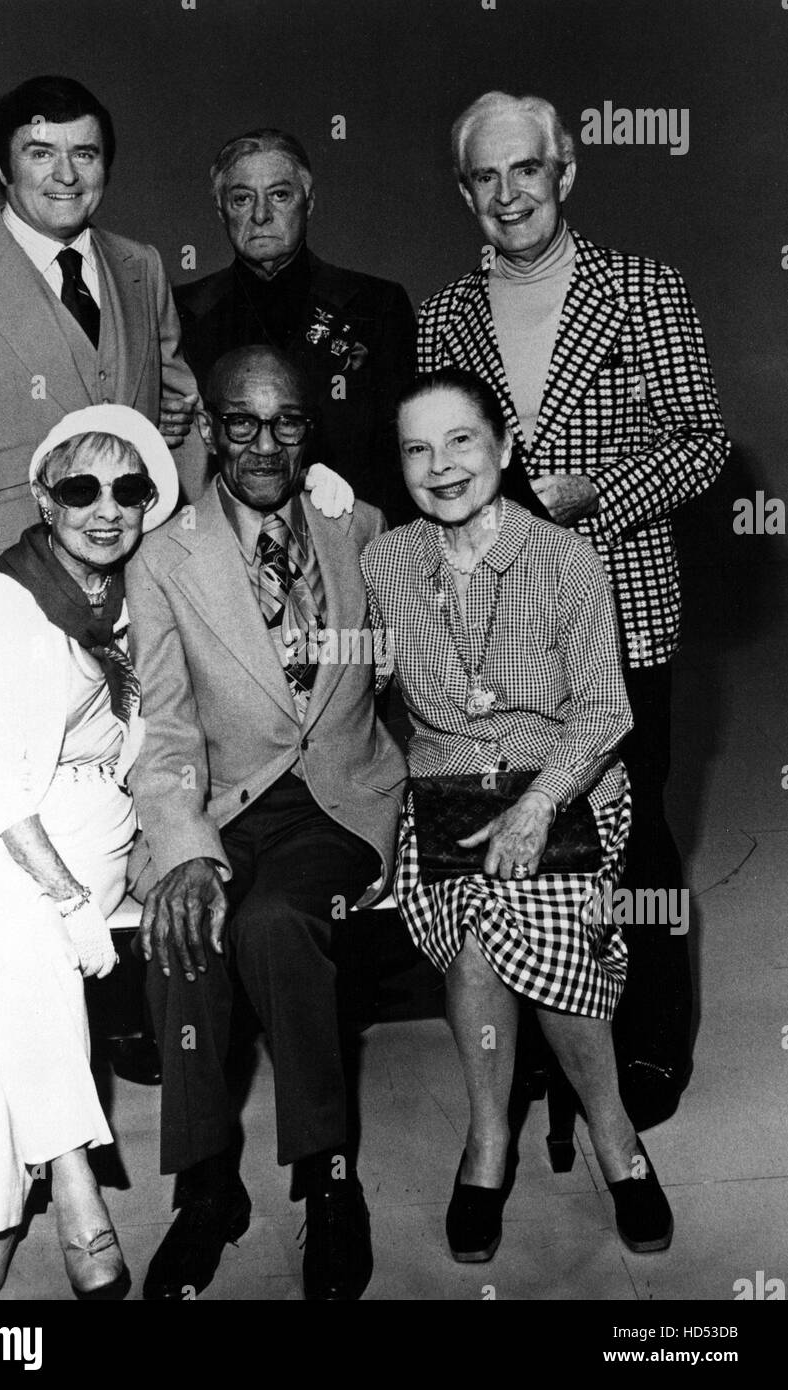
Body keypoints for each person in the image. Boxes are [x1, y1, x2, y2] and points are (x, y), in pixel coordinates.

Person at [416, 91, 730, 1125]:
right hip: (498, 631)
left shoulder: (642, 290)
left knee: (630, 838)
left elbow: (704, 441)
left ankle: (645, 1049)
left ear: (566, 172)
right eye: (485, 178)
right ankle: (551, 1046)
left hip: (625, 611)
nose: (509, 194)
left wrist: (599, 493)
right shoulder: (444, 314)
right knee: (528, 836)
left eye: (527, 170)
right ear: (464, 193)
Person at [361, 370, 674, 1263]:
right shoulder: (385, 563)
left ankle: (614, 1134)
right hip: (450, 788)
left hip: (563, 785)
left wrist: (539, 804)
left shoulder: (566, 557)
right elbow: (362, 690)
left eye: (461, 440)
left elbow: (607, 711)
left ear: (503, 446)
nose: (441, 465)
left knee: (546, 917)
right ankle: (489, 1140)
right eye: (417, 449)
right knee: (473, 922)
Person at [124, 345, 408, 1301]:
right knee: (183, 923)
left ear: (307, 430)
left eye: (285, 421)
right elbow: (165, 729)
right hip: (220, 799)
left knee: (275, 921)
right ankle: (206, 1188)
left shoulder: (358, 526)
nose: (261, 443)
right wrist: (184, 852)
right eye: (239, 422)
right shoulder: (163, 557)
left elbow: (420, 662)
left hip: (334, 799)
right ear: (207, 427)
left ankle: (328, 1178)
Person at [0, 405, 180, 1300]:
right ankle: (74, 1184)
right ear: (42, 496)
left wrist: (335, 500)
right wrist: (71, 903)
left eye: (128, 490)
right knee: (33, 963)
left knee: (10, 994)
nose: (105, 511)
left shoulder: (133, 585)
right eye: (80, 489)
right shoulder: (8, 613)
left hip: (87, 815)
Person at [0, 74, 199, 629]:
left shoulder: (142, 266)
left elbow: (184, 418)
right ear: (3, 170)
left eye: (85, 153)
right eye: (40, 153)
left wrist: (188, 562)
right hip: (13, 590)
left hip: (144, 590)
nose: (66, 175)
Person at [174, 128, 418, 522]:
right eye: (241, 198)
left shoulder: (377, 305)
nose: (260, 214)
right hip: (226, 543)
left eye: (279, 194)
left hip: (348, 535)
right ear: (222, 211)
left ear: (309, 202)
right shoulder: (182, 311)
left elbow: (404, 446)